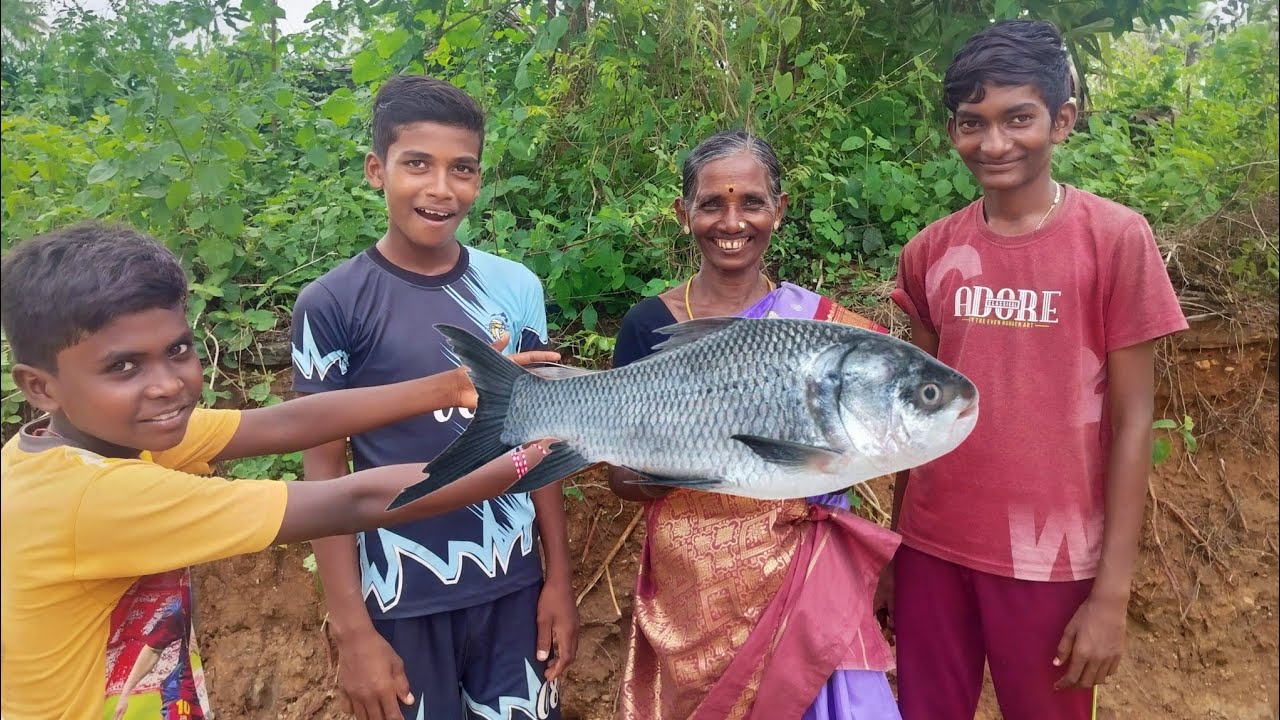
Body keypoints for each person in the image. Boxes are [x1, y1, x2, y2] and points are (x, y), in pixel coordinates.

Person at [0, 221, 560, 720]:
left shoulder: (86, 444)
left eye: (178, 350)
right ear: (40, 386)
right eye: (123, 366)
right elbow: (352, 502)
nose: (167, 384)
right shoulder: (98, 498)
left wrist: (451, 387)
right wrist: (534, 451)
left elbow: (288, 422)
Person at [877, 19, 1189, 720]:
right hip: (934, 550)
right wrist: (898, 552)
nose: (994, 143)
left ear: (1063, 120)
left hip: (1055, 563)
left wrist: (1112, 593)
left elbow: (1134, 419)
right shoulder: (931, 253)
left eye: (1018, 118)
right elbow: (914, 416)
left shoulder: (1113, 240)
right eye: (971, 122)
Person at [290, 74, 577, 720]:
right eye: (417, 164)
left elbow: (542, 443)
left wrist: (557, 578)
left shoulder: (515, 289)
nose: (441, 188)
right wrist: (351, 631)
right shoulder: (332, 306)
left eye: (462, 169)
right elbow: (323, 473)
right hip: (399, 599)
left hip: (514, 589)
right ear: (376, 169)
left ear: (480, 178)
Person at [609, 130, 903, 720]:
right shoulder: (650, 326)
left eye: (751, 202)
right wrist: (684, 465)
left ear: (779, 209)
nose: (731, 220)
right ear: (683, 212)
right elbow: (621, 479)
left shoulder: (822, 331)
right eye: (712, 203)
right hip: (692, 589)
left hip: (808, 580)